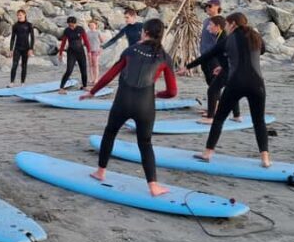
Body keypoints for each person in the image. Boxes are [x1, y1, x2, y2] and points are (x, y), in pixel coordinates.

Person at [80, 19, 178, 197]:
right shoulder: (164, 57)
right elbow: (172, 91)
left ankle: (100, 172)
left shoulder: (131, 50)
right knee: (145, 144)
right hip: (145, 105)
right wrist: (157, 95)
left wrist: (92, 92)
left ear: (145, 32)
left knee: (110, 133)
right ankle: (153, 186)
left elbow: (110, 75)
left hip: (122, 102)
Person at [178, 12, 271, 168]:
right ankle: (265, 159)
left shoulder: (228, 40)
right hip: (257, 84)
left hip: (236, 83)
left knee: (219, 119)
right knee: (259, 121)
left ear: (233, 24)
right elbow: (261, 51)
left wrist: (187, 67)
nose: (226, 28)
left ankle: (207, 154)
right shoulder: (255, 36)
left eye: (227, 24)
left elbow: (207, 56)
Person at [183, 15, 241, 124]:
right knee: (230, 90)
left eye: (210, 25)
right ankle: (237, 116)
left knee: (213, 90)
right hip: (231, 68)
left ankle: (211, 117)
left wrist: (187, 67)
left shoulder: (223, 38)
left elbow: (208, 55)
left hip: (230, 69)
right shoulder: (222, 37)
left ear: (218, 27)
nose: (208, 27)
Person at [198, 0, 225, 117]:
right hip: (204, 56)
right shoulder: (206, 21)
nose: (207, 8)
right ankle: (214, 107)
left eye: (210, 6)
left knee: (215, 84)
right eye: (206, 6)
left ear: (217, 7)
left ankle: (215, 110)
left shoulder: (221, 22)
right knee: (210, 83)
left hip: (214, 58)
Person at [57, 16, 91, 93]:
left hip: (80, 52)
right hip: (71, 52)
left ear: (75, 23)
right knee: (69, 70)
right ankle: (61, 88)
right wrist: (60, 53)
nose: (70, 26)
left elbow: (86, 40)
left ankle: (84, 86)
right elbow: (63, 42)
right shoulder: (67, 30)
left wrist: (89, 51)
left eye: (72, 24)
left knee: (84, 70)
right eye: (69, 25)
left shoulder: (80, 29)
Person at [7, 9, 34, 87]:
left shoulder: (29, 25)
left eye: (20, 15)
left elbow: (32, 38)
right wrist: (11, 49)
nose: (19, 16)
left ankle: (23, 83)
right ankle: (12, 82)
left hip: (26, 48)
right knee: (14, 65)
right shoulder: (15, 26)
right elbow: (12, 38)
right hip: (17, 48)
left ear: (24, 15)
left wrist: (31, 49)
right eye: (18, 15)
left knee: (24, 65)